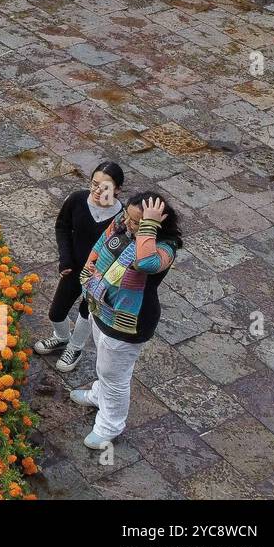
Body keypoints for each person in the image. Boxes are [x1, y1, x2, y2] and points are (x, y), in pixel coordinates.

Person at [71, 192, 182, 450]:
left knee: (115, 375)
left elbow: (144, 264)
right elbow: (99, 248)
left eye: (137, 223)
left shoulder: (164, 248)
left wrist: (148, 227)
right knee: (105, 365)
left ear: (154, 225)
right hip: (102, 307)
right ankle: (100, 395)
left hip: (129, 320)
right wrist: (89, 281)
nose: (128, 225)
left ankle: (110, 426)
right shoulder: (123, 225)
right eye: (129, 218)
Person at [33, 162, 124, 372]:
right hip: (73, 268)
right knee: (56, 312)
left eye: (105, 187)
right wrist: (65, 258)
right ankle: (62, 338)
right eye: (94, 184)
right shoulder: (77, 200)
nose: (98, 191)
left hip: (99, 275)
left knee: (86, 312)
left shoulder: (122, 217)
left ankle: (75, 347)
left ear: (117, 190)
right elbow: (62, 227)